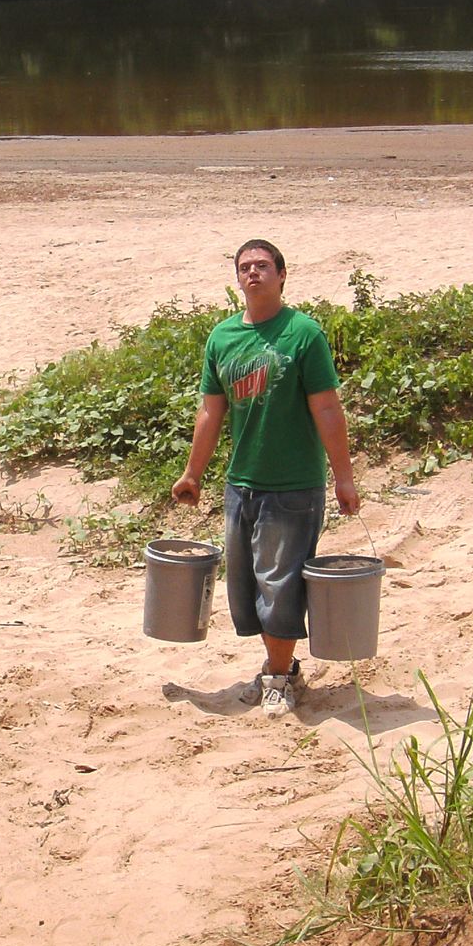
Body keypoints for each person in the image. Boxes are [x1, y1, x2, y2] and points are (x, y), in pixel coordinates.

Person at [171, 239, 361, 712]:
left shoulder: (303, 334)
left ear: (281, 274)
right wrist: (193, 473)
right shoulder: (223, 338)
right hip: (242, 484)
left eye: (262, 265)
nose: (253, 273)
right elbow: (210, 413)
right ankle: (283, 666)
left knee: (280, 582)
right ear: (237, 280)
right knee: (248, 585)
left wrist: (343, 478)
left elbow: (327, 408)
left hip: (293, 484)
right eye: (244, 267)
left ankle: (277, 679)